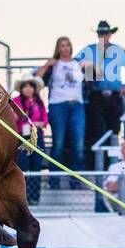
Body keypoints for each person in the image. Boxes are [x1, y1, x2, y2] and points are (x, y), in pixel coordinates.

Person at [34, 36, 85, 189]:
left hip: (77, 106)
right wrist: (47, 65)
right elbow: (36, 80)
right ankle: (54, 182)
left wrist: (90, 65)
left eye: (68, 45)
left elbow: (98, 76)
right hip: (58, 106)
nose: (65, 48)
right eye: (62, 45)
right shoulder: (54, 64)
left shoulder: (78, 64)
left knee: (78, 145)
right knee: (58, 144)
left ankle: (76, 183)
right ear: (58, 48)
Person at [76, 21, 125, 157]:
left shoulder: (120, 50)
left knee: (114, 129)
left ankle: (110, 162)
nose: (103, 36)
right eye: (101, 33)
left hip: (115, 95)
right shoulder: (89, 50)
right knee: (95, 128)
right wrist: (86, 67)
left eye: (106, 33)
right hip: (95, 94)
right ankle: (95, 163)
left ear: (110, 34)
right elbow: (73, 64)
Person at [12, 77, 49, 203]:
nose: (28, 89)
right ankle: (23, 196)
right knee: (23, 166)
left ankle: (35, 197)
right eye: (25, 86)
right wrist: (33, 123)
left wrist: (33, 124)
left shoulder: (39, 102)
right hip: (22, 136)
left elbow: (45, 120)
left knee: (36, 165)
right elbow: (14, 120)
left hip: (37, 136)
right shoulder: (15, 101)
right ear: (21, 88)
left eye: (31, 86)